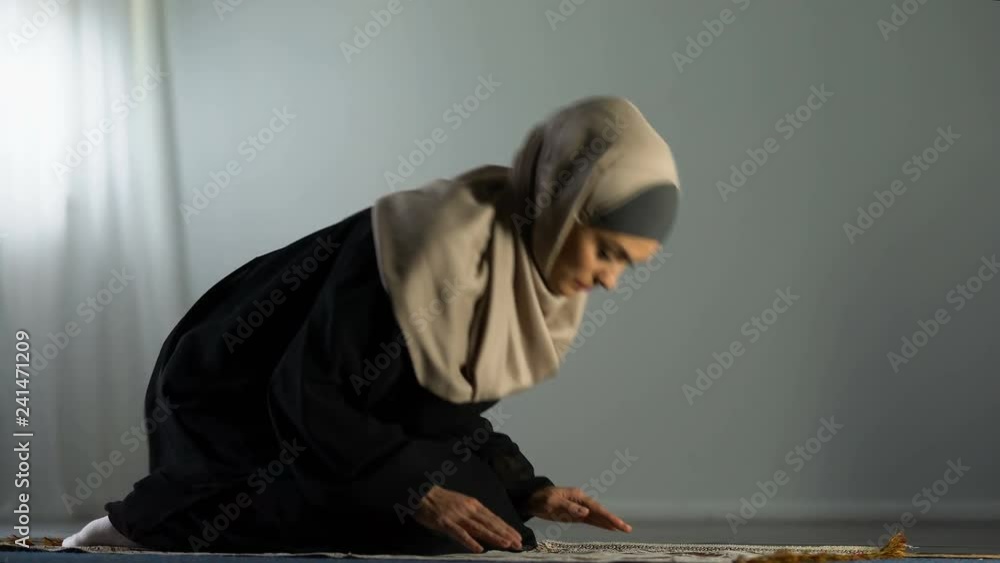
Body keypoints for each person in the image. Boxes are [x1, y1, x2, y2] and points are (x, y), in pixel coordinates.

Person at [61, 95, 681, 555]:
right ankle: (136, 529)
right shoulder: (434, 245)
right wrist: (418, 491)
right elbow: (305, 389)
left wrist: (531, 490)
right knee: (430, 529)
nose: (608, 281)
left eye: (628, 266)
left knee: (494, 529)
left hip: (352, 420)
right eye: (607, 252)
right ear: (562, 206)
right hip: (243, 406)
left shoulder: (521, 271)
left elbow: (437, 414)